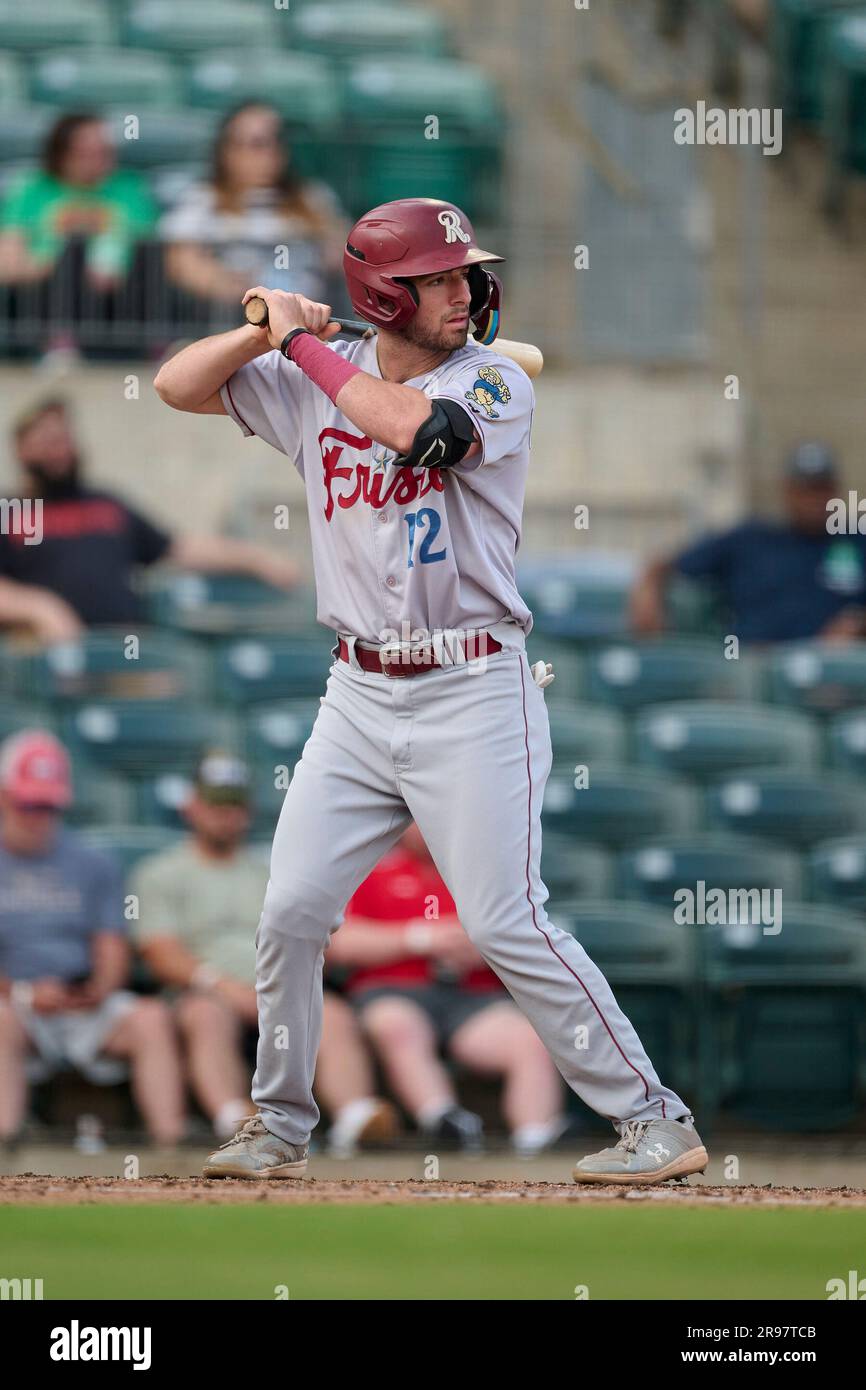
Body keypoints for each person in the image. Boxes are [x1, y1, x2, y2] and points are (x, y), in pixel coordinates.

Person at [155, 196, 707, 1185]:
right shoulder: (310, 377)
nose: (462, 290)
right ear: (380, 292)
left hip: (471, 685)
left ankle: (653, 1117)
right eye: (439, 278)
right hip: (358, 692)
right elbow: (171, 386)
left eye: (462, 273)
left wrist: (308, 353)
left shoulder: (492, 380)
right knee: (287, 909)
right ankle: (277, 1122)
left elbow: (422, 436)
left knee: (504, 918)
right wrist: (258, 331)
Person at [131, 750, 397, 1152]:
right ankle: (236, 1121)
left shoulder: (272, 868)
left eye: (235, 806)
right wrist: (221, 986)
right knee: (205, 1015)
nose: (226, 815)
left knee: (334, 1012)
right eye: (216, 805)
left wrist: (282, 986)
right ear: (193, 807)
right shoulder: (160, 872)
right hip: (205, 990)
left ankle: (353, 1118)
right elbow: (159, 952)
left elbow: (312, 930)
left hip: (275, 984)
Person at [329, 821, 567, 1155]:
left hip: (470, 997)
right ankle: (445, 1121)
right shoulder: (369, 870)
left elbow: (529, 938)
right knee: (397, 1026)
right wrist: (420, 938)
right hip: (392, 990)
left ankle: (537, 1135)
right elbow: (339, 942)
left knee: (527, 1038)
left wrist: (481, 947)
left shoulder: (484, 875)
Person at [0, 731, 185, 1145]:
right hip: (14, 1004)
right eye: (28, 804)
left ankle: (172, 1152)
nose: (38, 816)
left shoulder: (92, 861)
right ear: (3, 796)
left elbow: (111, 945)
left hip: (79, 999)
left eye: (48, 805)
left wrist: (99, 989)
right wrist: (26, 994)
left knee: (150, 1018)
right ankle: (4, 1149)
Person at [0, 396, 299, 641]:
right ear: (22, 449)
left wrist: (258, 560)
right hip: (39, 657)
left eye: (64, 438)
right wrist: (38, 608)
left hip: (125, 652)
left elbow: (177, 547)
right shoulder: (11, 511)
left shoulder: (107, 505)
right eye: (48, 440)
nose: (60, 450)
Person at [629, 442, 866, 644]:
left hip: (835, 681)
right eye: (805, 490)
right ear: (787, 490)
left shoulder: (856, 541)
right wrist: (648, 589)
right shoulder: (750, 540)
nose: (814, 500)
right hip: (750, 676)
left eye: (822, 489)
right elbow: (667, 564)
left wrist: (858, 626)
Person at [161, 103, 347, 320]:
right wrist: (230, 286)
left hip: (310, 325)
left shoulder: (311, 198)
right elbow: (182, 262)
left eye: (277, 141)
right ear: (228, 151)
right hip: (237, 325)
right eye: (257, 144)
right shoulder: (204, 200)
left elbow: (343, 253)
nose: (270, 152)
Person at [0, 111, 156, 292]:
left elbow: (148, 246)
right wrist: (54, 265)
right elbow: (7, 261)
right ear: (60, 153)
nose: (97, 161)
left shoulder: (129, 188)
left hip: (121, 299)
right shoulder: (32, 189)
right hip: (42, 295)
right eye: (85, 153)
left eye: (104, 152)